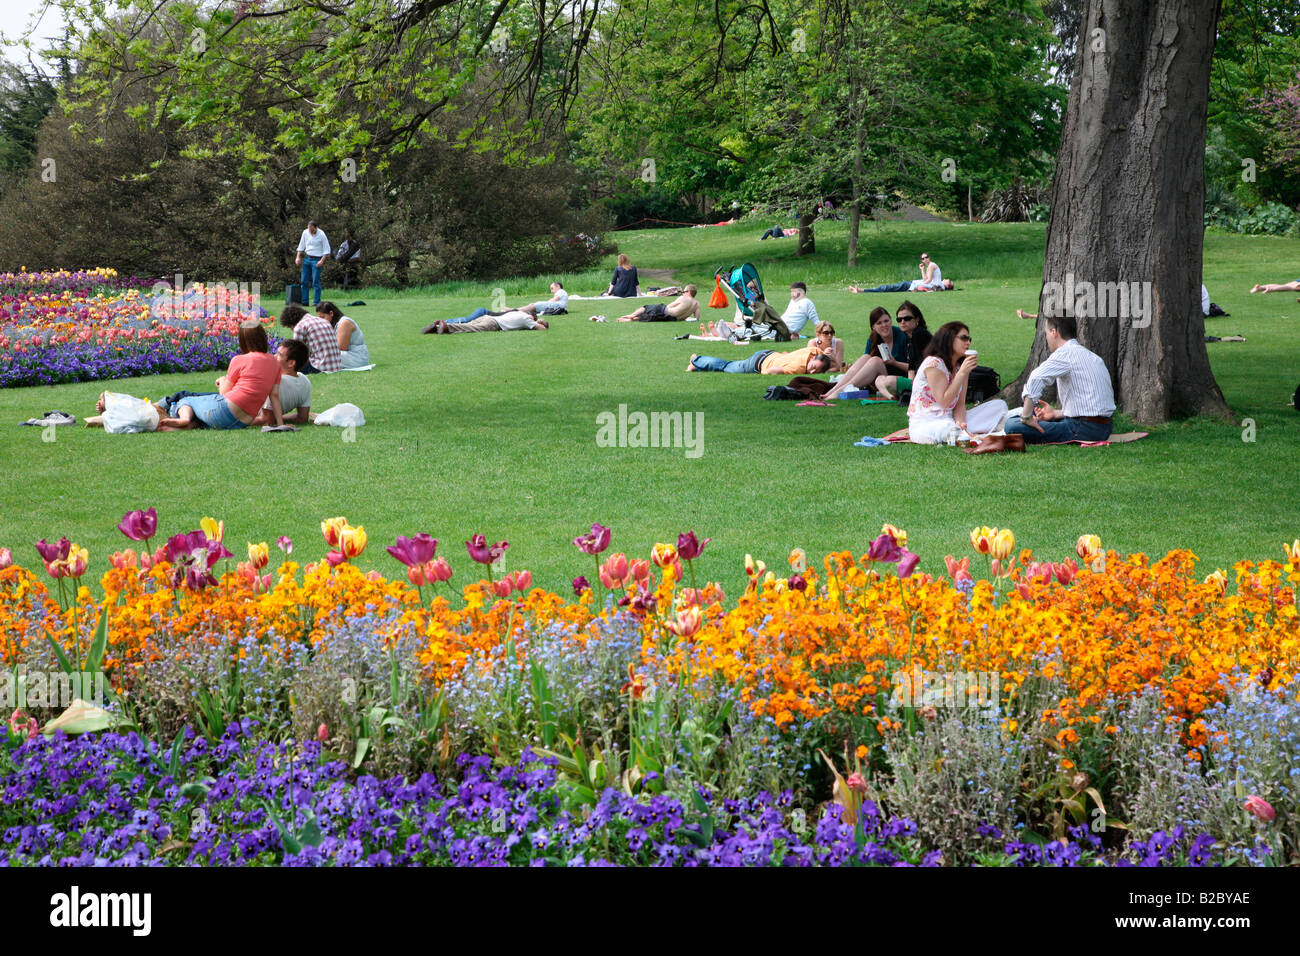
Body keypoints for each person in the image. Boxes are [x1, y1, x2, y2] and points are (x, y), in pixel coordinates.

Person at [1005, 314, 1116, 444]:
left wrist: (1026, 417)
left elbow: (1036, 378)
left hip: (1083, 429)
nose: (1046, 338)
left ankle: (1027, 417)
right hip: (1104, 427)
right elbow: (1091, 405)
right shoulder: (1091, 356)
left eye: (1046, 333)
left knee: (1012, 425)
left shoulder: (1065, 354)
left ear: (1054, 332)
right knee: (1021, 419)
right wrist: (1057, 414)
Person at [159, 321, 284, 430]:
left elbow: (224, 393)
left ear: (242, 340)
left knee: (186, 400)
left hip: (225, 409)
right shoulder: (275, 363)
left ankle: (184, 419)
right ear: (263, 338)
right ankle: (176, 427)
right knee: (199, 421)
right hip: (243, 421)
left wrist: (222, 379)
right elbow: (274, 396)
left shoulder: (239, 359)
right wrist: (280, 423)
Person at [906, 322, 1007, 444]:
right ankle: (973, 434)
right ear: (949, 339)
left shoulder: (960, 366)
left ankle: (964, 433)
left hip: (950, 419)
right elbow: (943, 402)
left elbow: (960, 405)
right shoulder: (934, 363)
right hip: (926, 423)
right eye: (963, 338)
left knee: (999, 406)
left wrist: (961, 422)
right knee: (949, 429)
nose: (968, 343)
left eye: (969, 339)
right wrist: (962, 373)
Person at [824, 307, 907, 400]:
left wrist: (895, 363)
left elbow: (914, 367)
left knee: (876, 361)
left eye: (886, 321)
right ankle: (834, 390)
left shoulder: (902, 336)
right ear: (873, 327)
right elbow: (865, 363)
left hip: (895, 380)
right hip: (877, 381)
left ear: (891, 321)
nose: (884, 325)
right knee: (866, 357)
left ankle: (841, 391)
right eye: (879, 323)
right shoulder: (873, 338)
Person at [253, 339, 311, 426]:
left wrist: (238, 421)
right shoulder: (305, 381)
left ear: (291, 363)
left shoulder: (276, 381)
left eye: (279, 355)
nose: (274, 356)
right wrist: (278, 418)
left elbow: (266, 420)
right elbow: (302, 418)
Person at [686, 344, 834, 375]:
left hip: (767, 353)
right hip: (757, 364)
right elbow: (772, 371)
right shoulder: (799, 369)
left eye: (816, 371)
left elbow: (833, 363)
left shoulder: (813, 351)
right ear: (814, 358)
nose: (811, 370)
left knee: (728, 364)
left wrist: (827, 354)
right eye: (813, 366)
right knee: (726, 366)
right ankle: (696, 360)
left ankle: (697, 363)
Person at [280, 304, 342, 374]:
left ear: (292, 323)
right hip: (337, 366)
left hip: (319, 368)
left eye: (290, 327)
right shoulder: (324, 321)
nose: (291, 329)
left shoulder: (300, 326)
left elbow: (296, 354)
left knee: (289, 363)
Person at [851, 253, 952, 293]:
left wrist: (916, 285)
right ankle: (862, 290)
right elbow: (926, 279)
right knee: (889, 288)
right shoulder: (930, 268)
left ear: (947, 285)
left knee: (888, 288)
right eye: (922, 258)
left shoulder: (932, 265)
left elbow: (928, 280)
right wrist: (922, 270)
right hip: (913, 284)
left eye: (926, 257)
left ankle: (861, 290)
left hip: (911, 284)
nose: (924, 259)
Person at [317, 301, 370, 368]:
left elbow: (342, 347)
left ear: (331, 313)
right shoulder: (332, 324)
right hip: (346, 355)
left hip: (356, 357)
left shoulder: (344, 323)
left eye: (323, 317)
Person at [295, 220, 331, 306]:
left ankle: (316, 302)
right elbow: (301, 245)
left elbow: (327, 249)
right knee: (304, 281)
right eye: (309, 229)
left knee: (316, 281)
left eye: (312, 230)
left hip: (317, 259)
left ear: (316, 228)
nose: (310, 231)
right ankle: (304, 302)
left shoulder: (321, 234)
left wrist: (322, 261)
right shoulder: (305, 233)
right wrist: (298, 257)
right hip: (307, 258)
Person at [618, 285, 700, 322]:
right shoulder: (697, 304)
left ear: (688, 292)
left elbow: (670, 306)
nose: (682, 293)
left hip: (665, 311)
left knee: (646, 308)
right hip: (672, 319)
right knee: (649, 317)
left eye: (684, 291)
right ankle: (628, 321)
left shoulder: (684, 298)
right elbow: (697, 319)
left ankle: (632, 315)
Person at [426, 311, 550, 334]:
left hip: (486, 317)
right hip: (494, 324)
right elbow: (542, 329)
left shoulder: (520, 313)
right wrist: (540, 321)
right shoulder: (527, 320)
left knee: (469, 325)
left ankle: (437, 327)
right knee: (470, 328)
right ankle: (447, 326)